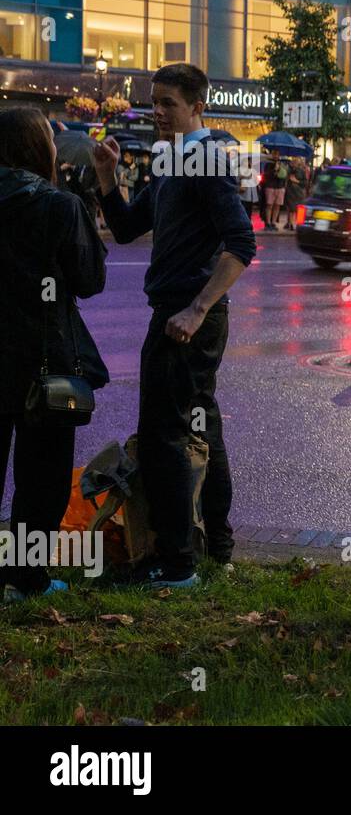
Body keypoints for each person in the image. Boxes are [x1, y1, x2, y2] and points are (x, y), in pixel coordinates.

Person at [92, 62, 257, 589]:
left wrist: (197, 309)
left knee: (164, 434)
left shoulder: (206, 160)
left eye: (169, 103)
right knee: (201, 426)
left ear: (196, 107)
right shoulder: (172, 161)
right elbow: (124, 229)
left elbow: (242, 244)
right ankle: (217, 548)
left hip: (185, 320)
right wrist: (105, 177)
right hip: (177, 315)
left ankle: (176, 562)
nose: (158, 112)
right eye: (154, 102)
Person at [0, 108, 108, 599]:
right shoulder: (58, 205)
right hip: (43, 362)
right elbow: (90, 281)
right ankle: (25, 578)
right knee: (41, 480)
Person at [261, 149, 287, 230]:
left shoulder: (282, 164)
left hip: (279, 187)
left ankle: (273, 222)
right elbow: (266, 175)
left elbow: (284, 175)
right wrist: (274, 170)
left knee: (277, 205)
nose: (276, 156)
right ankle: (268, 223)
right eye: (274, 154)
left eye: (277, 154)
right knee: (269, 205)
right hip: (270, 186)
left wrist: (280, 169)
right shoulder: (268, 164)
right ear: (272, 155)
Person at [284, 156, 306, 231]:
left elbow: (305, 182)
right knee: (291, 209)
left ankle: (299, 224)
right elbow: (285, 179)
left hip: (299, 193)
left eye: (297, 162)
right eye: (294, 162)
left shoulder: (302, 171)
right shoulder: (288, 170)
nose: (295, 163)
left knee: (300, 209)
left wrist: (297, 181)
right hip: (291, 192)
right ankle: (291, 224)